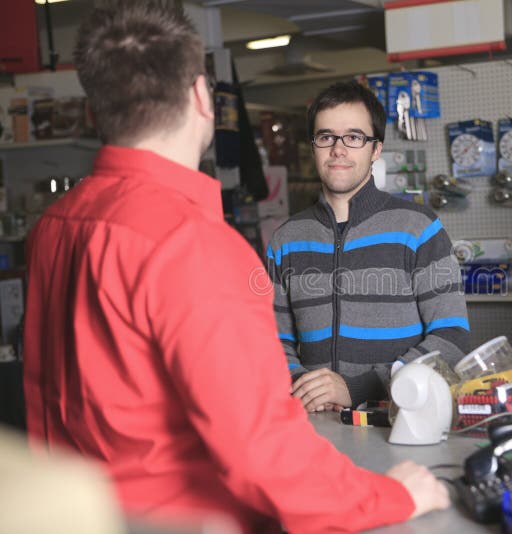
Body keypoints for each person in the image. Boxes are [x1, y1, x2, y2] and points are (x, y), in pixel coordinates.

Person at [23, 2, 449, 533]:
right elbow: (263, 451)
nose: (338, 149)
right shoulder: (194, 245)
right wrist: (391, 496)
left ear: (94, 110)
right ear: (203, 97)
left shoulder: (53, 226)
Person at [267, 82, 470, 413]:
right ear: (313, 146)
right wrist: (308, 389)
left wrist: (359, 388)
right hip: (315, 426)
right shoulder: (285, 239)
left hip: (400, 421)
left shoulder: (418, 228)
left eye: (354, 137)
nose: (339, 149)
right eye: (326, 137)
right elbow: (274, 341)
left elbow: (452, 337)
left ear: (375, 149)